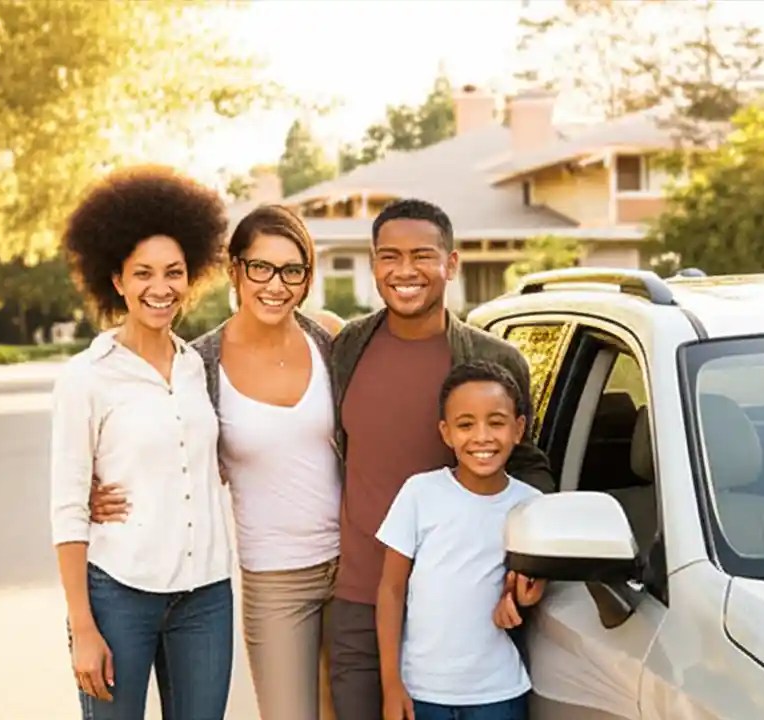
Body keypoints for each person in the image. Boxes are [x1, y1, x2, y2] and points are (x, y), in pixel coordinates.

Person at [90, 203, 342, 720]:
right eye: (260, 268)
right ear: (235, 270)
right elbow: (171, 444)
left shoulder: (330, 340)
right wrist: (100, 489)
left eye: (292, 271)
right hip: (276, 577)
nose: (276, 284)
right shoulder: (200, 363)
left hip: (356, 566)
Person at [327, 198, 554, 718]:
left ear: (451, 264)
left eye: (422, 256)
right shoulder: (347, 348)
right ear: (373, 264)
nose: (405, 271)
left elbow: (528, 465)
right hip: (364, 595)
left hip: (468, 610)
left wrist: (530, 562)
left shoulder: (495, 360)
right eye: (389, 257)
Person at [49, 164, 234, 720]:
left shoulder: (196, 366)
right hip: (118, 593)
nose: (161, 288)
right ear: (118, 281)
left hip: (205, 594)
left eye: (174, 273)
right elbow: (66, 509)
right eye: (144, 273)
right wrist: (82, 626)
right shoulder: (88, 377)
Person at [375, 361, 546, 720]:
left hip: (498, 692)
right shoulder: (420, 493)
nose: (482, 436)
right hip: (422, 691)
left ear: (518, 429)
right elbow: (391, 589)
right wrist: (391, 684)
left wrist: (519, 599)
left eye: (496, 422)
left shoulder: (531, 506)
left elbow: (527, 587)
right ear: (446, 432)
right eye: (466, 425)